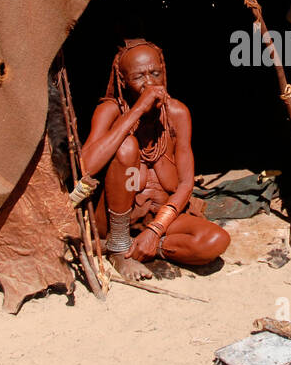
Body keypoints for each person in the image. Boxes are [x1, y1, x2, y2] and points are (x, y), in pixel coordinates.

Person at [78, 40, 229, 279]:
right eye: (139, 77)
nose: (149, 83)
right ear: (123, 79)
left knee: (215, 240)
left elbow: (186, 184)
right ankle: (118, 245)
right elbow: (86, 166)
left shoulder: (177, 113)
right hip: (115, 220)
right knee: (126, 146)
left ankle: (140, 248)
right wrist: (137, 110)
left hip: (160, 216)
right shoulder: (110, 110)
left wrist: (155, 231)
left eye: (155, 73)